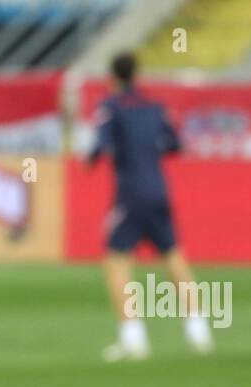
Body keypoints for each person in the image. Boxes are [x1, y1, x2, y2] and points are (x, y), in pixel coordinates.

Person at [90, 51, 213, 362]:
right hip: (159, 190)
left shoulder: (110, 108)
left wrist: (91, 159)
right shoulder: (156, 107)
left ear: (113, 77)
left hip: (130, 193)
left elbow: (100, 147)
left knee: (116, 261)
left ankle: (133, 338)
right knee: (174, 258)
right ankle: (199, 332)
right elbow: (175, 144)